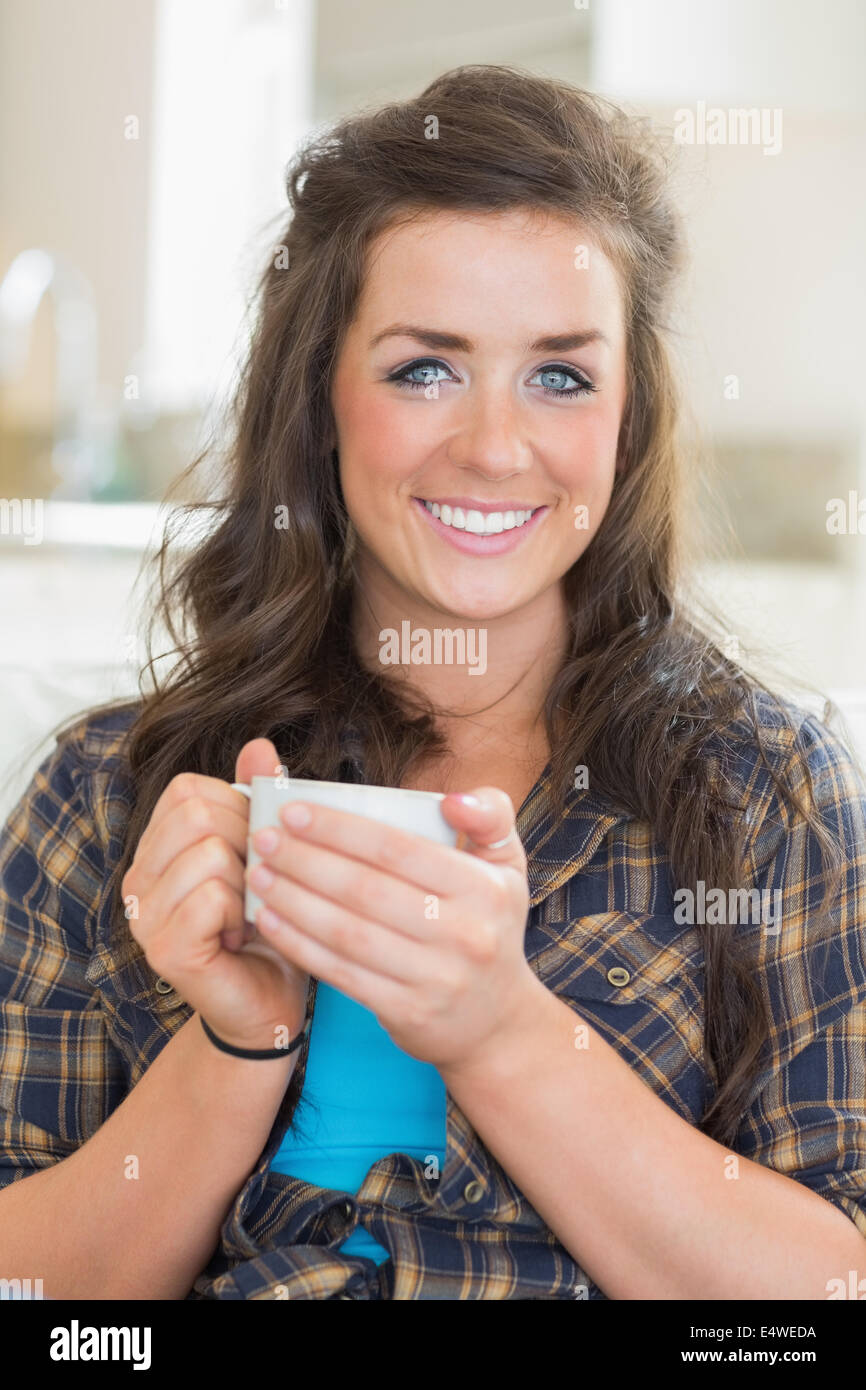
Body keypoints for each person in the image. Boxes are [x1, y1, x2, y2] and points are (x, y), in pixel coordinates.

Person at [1, 64, 864, 1302]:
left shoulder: (767, 800)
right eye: (424, 368)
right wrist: (237, 1040)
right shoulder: (105, 795)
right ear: (321, 400)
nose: (494, 448)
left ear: (626, 419)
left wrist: (500, 1031)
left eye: (559, 375)